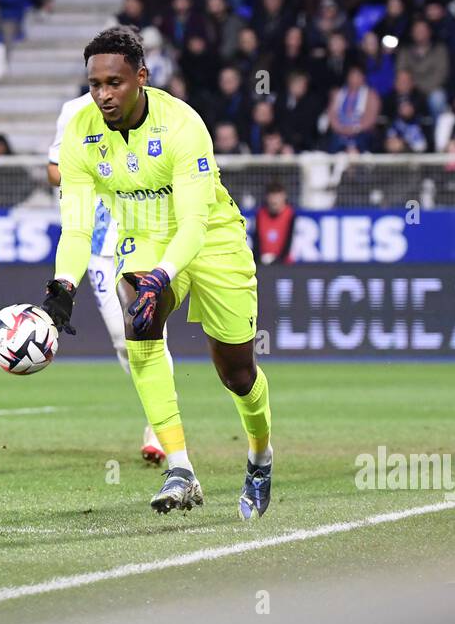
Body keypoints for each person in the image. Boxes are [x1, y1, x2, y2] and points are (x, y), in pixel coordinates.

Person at [41, 27, 274, 519]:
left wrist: (162, 276)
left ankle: (259, 456)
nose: (103, 94)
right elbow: (78, 227)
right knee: (140, 325)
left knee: (236, 373)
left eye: (114, 82)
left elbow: (192, 223)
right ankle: (180, 467)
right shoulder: (80, 133)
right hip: (144, 238)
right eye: (94, 84)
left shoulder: (182, 125)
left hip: (211, 238)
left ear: (141, 77)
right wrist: (64, 284)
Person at [48, 93, 167, 465]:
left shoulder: (157, 110)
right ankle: (157, 408)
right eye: (98, 80)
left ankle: (159, 426)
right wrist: (90, 174)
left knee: (148, 330)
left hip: (146, 234)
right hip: (99, 241)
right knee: (121, 339)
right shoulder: (74, 111)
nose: (106, 90)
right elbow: (53, 168)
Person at [254, 182, 295, 264]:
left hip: (284, 264)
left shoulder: (290, 215)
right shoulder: (260, 214)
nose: (274, 200)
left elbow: (289, 241)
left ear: (284, 197)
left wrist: (278, 260)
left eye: (277, 196)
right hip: (263, 263)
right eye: (272, 196)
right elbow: (257, 241)